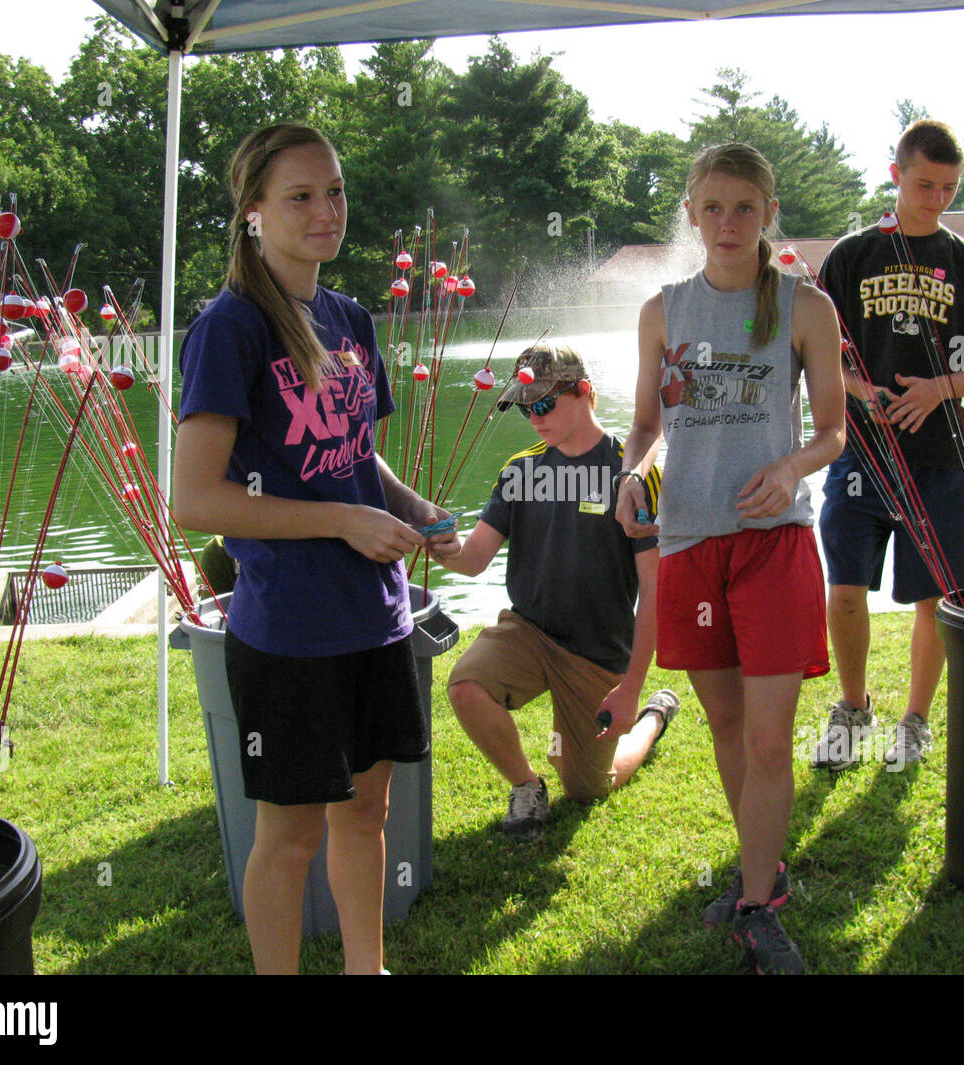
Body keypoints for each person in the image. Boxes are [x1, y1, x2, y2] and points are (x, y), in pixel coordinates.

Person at [172, 123, 458, 975]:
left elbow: (354, 457)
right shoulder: (231, 328)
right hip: (289, 631)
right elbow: (196, 499)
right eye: (300, 196)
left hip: (374, 617)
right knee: (289, 835)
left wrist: (418, 511)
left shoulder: (349, 318)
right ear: (254, 212)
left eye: (334, 190)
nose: (326, 210)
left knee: (367, 812)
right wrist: (341, 522)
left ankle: (366, 970)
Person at [616, 143, 845, 975]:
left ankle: (757, 905)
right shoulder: (661, 312)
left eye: (743, 207)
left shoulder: (804, 306)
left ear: (768, 215)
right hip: (689, 542)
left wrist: (790, 466)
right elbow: (645, 428)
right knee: (724, 726)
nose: (726, 223)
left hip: (775, 542)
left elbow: (832, 430)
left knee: (770, 741)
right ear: (690, 215)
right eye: (711, 207)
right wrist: (633, 475)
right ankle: (763, 865)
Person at [811, 119, 964, 773]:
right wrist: (859, 391)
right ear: (896, 174)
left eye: (950, 187)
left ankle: (915, 720)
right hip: (860, 455)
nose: (937, 198)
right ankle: (852, 706)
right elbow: (813, 356)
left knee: (936, 598)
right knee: (844, 588)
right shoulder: (851, 257)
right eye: (925, 183)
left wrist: (939, 388)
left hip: (943, 460)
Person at [430, 341, 677, 841]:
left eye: (544, 403)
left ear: (585, 391)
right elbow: (475, 558)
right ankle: (526, 785)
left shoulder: (633, 476)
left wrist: (631, 687)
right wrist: (442, 545)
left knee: (589, 789)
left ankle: (654, 716)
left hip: (597, 650)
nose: (534, 417)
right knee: (466, 686)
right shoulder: (521, 469)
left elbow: (654, 588)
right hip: (529, 630)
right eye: (525, 409)